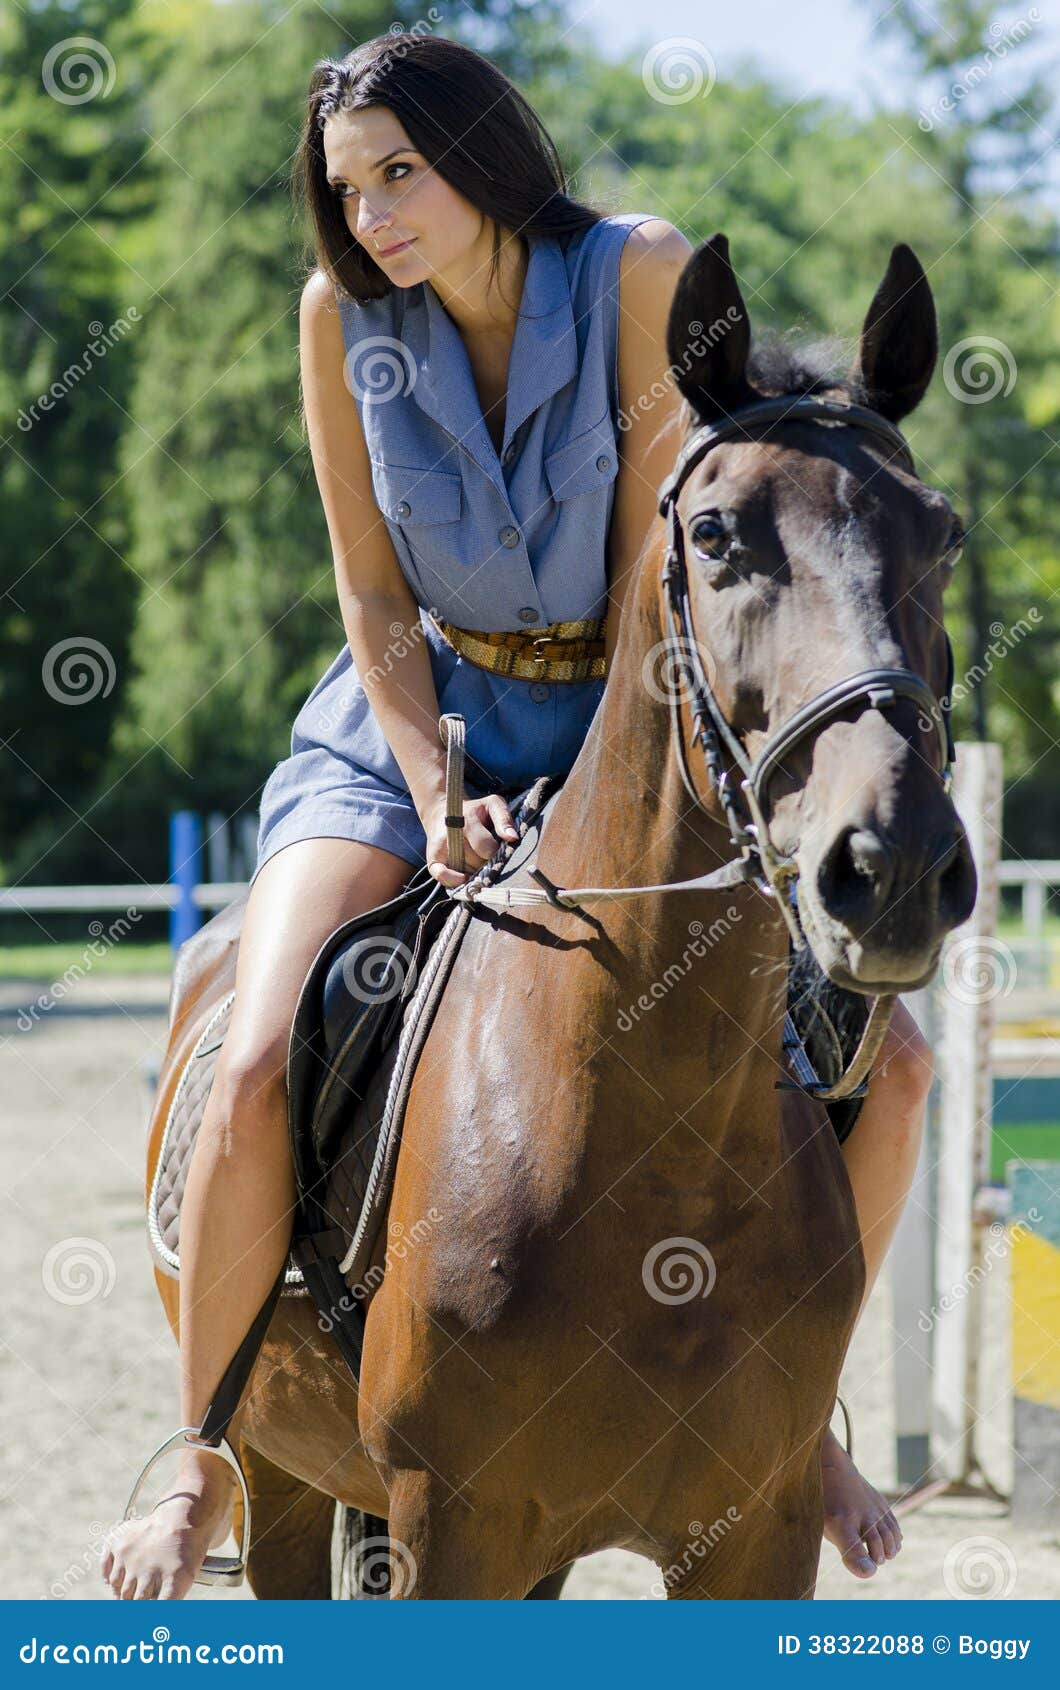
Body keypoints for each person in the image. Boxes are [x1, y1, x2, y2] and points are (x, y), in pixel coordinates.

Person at [103, 32, 928, 1600]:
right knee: (264, 1052)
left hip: (636, 731)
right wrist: (430, 786)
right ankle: (202, 1452)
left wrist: (591, 795)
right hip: (411, 724)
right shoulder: (338, 316)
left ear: (484, 155)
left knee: (896, 1068)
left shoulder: (638, 272)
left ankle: (800, 1417)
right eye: (348, 193)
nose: (373, 219)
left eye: (399, 175)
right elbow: (369, 589)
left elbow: (661, 564)